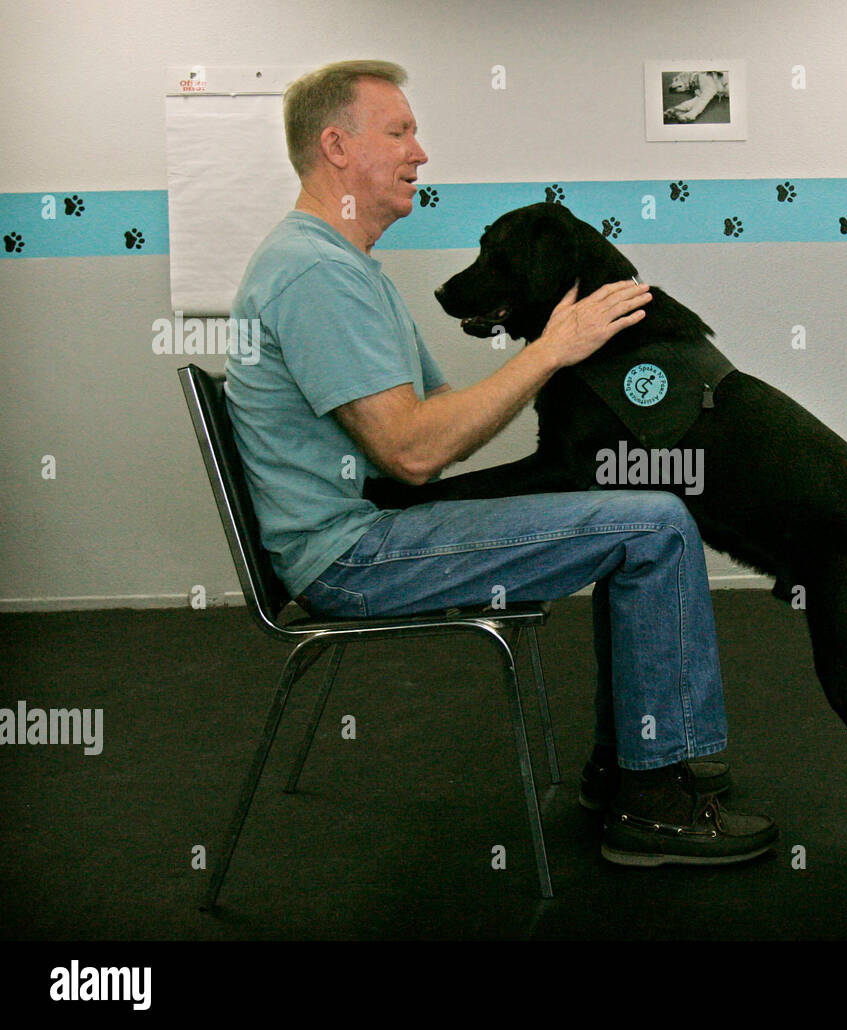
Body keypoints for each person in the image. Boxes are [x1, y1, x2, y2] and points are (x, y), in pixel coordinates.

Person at [223, 60, 777, 867]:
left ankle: (630, 763)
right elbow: (415, 453)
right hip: (353, 556)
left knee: (640, 514)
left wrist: (545, 357)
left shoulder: (346, 269)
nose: (420, 152)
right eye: (399, 132)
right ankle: (653, 802)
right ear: (336, 147)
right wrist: (554, 350)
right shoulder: (313, 272)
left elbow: (445, 425)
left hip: (367, 528)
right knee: (656, 522)